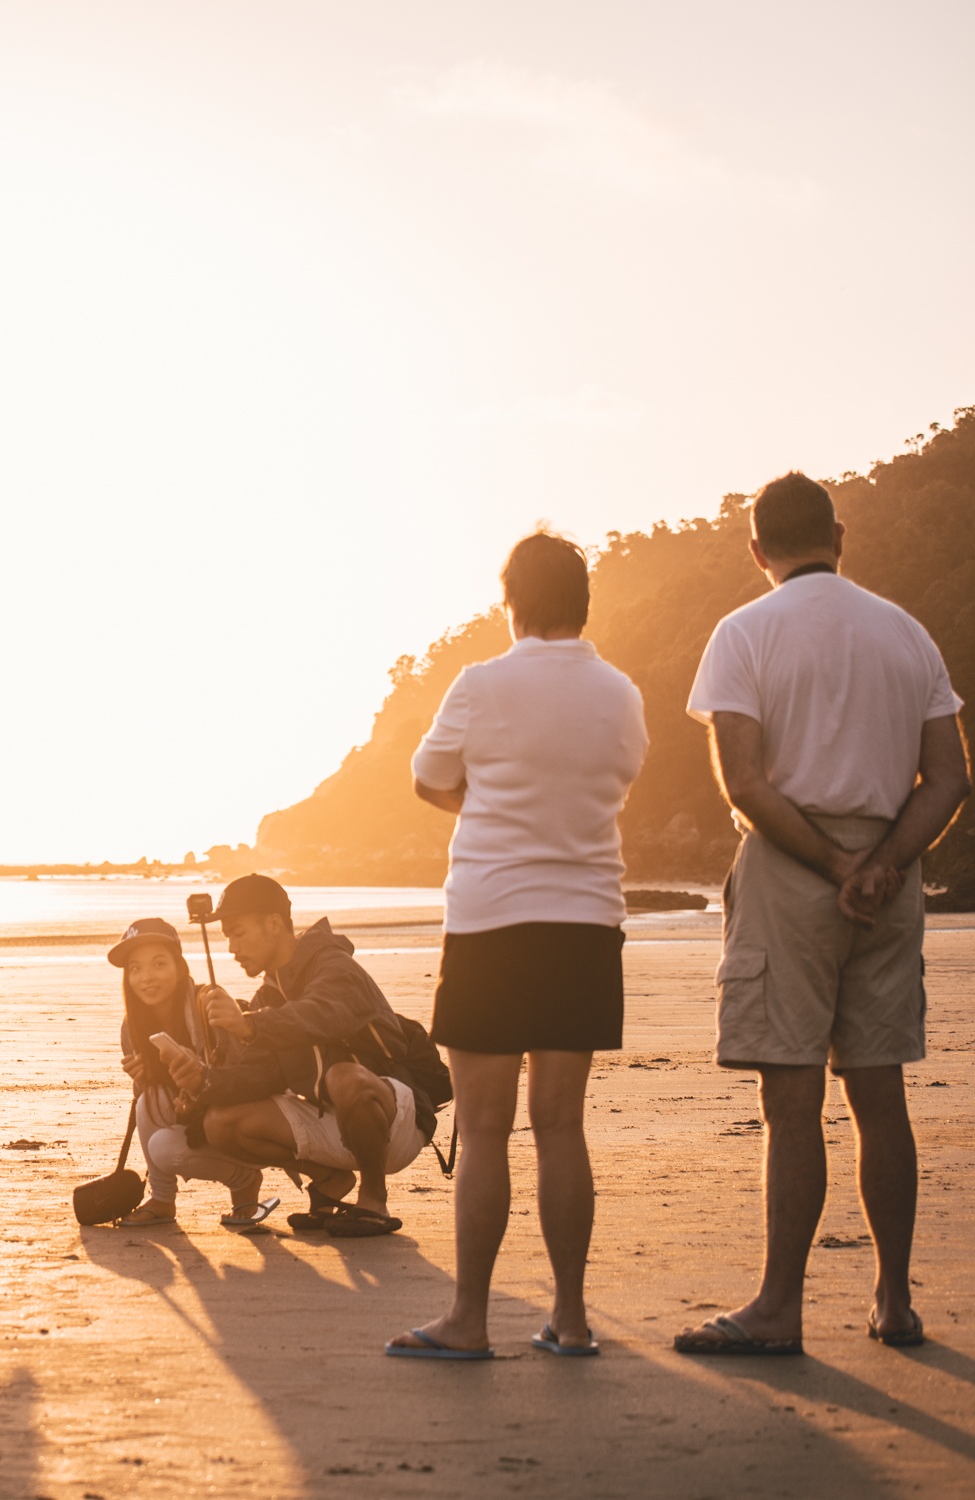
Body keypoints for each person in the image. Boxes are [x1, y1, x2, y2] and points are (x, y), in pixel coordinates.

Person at [674, 473, 968, 1357]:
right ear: (840, 535)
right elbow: (950, 776)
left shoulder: (743, 633)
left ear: (757, 549)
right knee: (881, 1092)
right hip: (891, 872)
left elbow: (744, 780)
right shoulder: (907, 633)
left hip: (790, 871)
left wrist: (833, 862)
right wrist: (878, 865)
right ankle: (893, 1300)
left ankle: (779, 1306)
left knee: (792, 1099)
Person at [386, 531, 647, 1360]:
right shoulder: (620, 693)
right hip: (584, 920)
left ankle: (468, 1319)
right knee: (562, 1125)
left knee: (490, 1127)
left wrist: (489, 802)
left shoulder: (482, 684)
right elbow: (617, 781)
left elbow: (428, 779)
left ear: (512, 603)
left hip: (493, 919)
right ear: (583, 603)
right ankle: (570, 1320)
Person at [159, 875, 439, 1239]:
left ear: (274, 924)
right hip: (334, 1124)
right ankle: (328, 1180)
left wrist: (250, 1027)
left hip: (397, 1121)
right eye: (227, 936)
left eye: (238, 933)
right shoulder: (265, 1000)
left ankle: (373, 1200)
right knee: (221, 1122)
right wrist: (202, 1081)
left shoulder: (334, 964)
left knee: (344, 1076)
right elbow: (260, 1078)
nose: (231, 947)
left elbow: (324, 1012)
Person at [105, 917, 266, 1228]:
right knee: (147, 1101)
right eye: (135, 969)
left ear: (179, 968)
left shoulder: (209, 1006)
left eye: (159, 964)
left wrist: (198, 1079)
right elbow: (150, 1108)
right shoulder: (132, 1027)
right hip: (193, 1117)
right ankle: (163, 1199)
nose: (146, 978)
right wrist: (144, 1079)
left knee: (164, 1147)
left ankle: (244, 1179)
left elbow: (247, 1080)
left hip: (237, 1122)